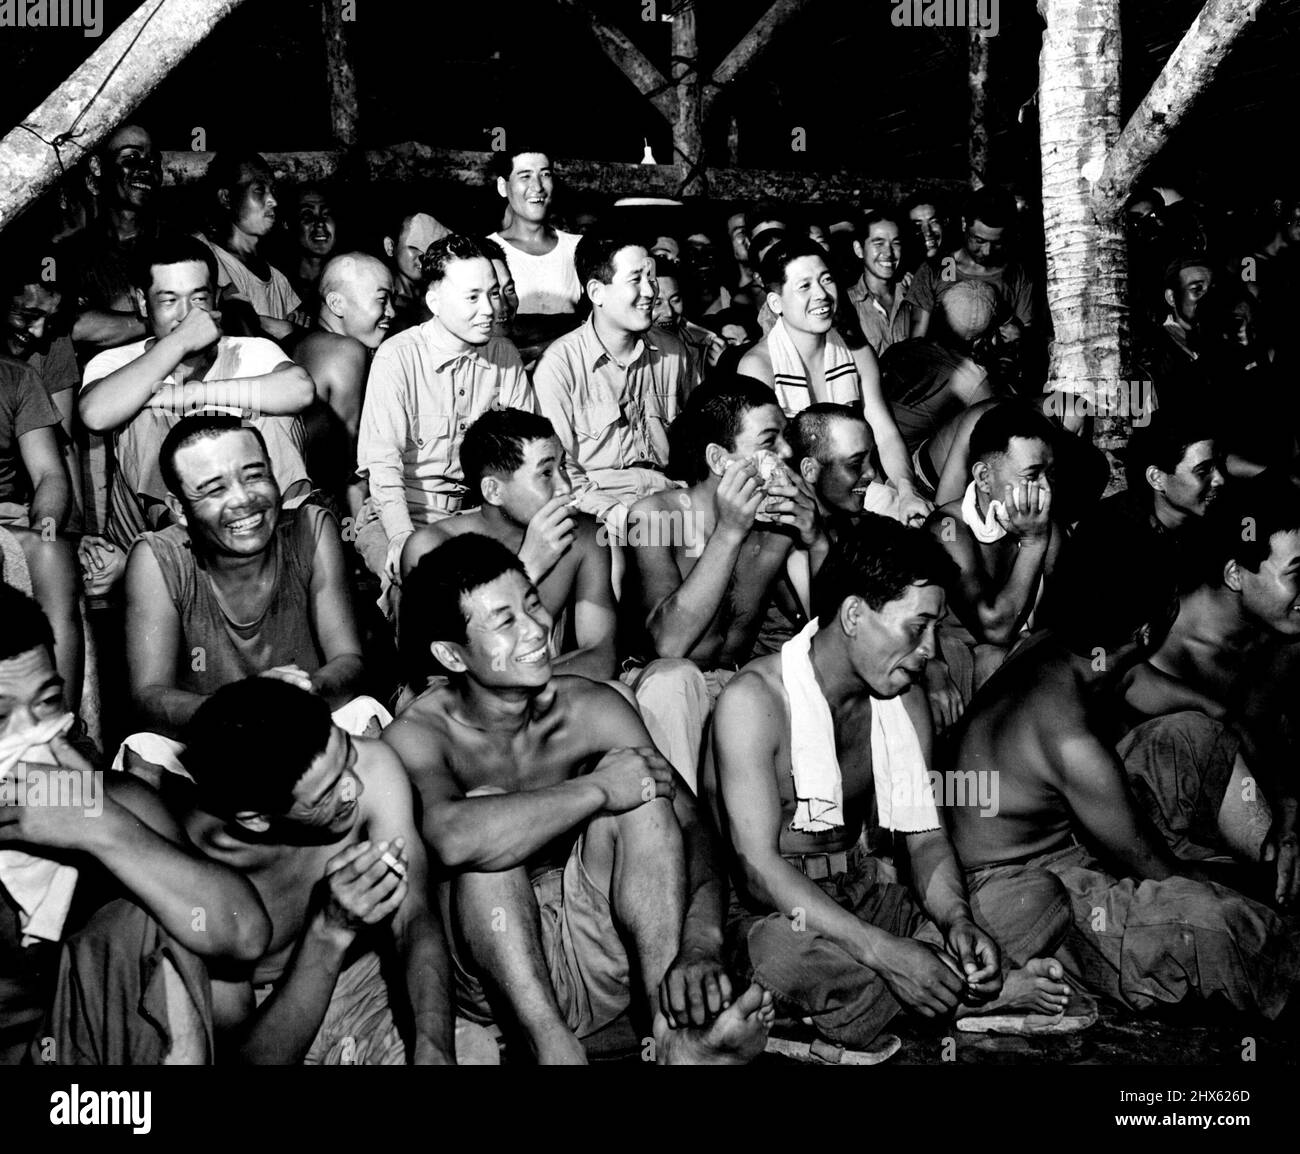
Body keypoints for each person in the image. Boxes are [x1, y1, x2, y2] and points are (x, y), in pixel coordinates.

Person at [385, 533, 774, 1064]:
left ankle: (669, 1032)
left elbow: (694, 826)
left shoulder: (588, 707)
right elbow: (452, 839)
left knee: (644, 794)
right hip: (493, 983)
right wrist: (595, 790)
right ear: (453, 655)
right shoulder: (417, 738)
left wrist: (701, 942)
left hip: (596, 951)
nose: (537, 629)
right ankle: (555, 1051)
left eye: (532, 603)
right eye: (505, 622)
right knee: (489, 832)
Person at [703, 516, 1081, 1052]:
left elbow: (924, 837)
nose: (930, 648)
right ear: (854, 614)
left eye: (936, 628)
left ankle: (894, 999)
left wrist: (957, 920)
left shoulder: (903, 697)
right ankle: (968, 995)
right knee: (778, 955)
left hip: (864, 893)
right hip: (779, 914)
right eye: (917, 626)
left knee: (1039, 895)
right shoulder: (754, 702)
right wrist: (885, 952)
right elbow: (760, 872)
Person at [944, 548, 1300, 1019]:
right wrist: (1242, 890)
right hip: (1018, 885)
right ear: (1147, 632)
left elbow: (1223, 716)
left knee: (1190, 734)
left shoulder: (1086, 652)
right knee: (1213, 923)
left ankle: (1280, 866)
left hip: (1067, 831)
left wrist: (1287, 823)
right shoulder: (1069, 737)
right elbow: (1161, 869)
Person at [0, 586, 271, 1065]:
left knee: (150, 915)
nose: (31, 739)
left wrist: (101, 827)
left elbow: (241, 940)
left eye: (45, 703)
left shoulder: (105, 802)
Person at [77, 235, 313, 593]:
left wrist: (192, 394)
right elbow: (96, 414)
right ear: (143, 303)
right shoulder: (116, 362)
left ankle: (287, 546)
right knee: (142, 417)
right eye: (169, 300)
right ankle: (183, 559)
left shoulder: (249, 351)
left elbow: (300, 390)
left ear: (215, 301)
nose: (186, 314)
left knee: (276, 415)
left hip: (243, 515)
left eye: (198, 298)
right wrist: (182, 342)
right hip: (158, 530)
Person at [621, 380, 823, 792]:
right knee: (674, 679)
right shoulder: (656, 516)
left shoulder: (780, 522)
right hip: (662, 689)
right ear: (719, 459)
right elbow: (670, 645)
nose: (786, 453)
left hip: (736, 685)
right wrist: (729, 532)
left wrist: (815, 537)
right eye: (770, 441)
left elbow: (833, 625)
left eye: (785, 437)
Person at [124, 415, 364, 739]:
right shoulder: (159, 557)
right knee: (144, 746)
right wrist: (240, 708)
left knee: (363, 711)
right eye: (215, 489)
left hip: (303, 719)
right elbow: (148, 694)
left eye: (254, 476)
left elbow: (348, 659)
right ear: (179, 509)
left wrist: (305, 690)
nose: (243, 499)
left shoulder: (311, 528)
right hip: (213, 737)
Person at [1120, 475, 1300, 908]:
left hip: (1250, 808)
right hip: (1153, 838)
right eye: (1296, 575)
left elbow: (1266, 743)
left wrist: (1290, 821)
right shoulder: (1156, 643)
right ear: (1235, 574)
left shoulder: (1282, 638)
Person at [355, 234, 534, 587]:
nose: (489, 309)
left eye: (493, 293)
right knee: (425, 583)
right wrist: (402, 539)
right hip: (402, 512)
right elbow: (383, 467)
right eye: (472, 297)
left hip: (477, 515)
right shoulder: (398, 358)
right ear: (434, 300)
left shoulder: (504, 356)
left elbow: (525, 455)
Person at [401, 408, 617, 681]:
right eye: (546, 473)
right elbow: (436, 679)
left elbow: (600, 657)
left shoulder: (583, 535)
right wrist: (527, 567)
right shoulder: (432, 548)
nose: (565, 487)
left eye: (563, 466)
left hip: (548, 696)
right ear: (493, 490)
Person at [739, 238, 932, 526]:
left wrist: (905, 490)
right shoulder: (757, 366)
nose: (822, 295)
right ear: (775, 303)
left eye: (826, 280)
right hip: (793, 502)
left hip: (859, 486)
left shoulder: (858, 352)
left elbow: (884, 432)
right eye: (804, 286)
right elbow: (761, 460)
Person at [532, 235, 692, 540]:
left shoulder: (674, 353)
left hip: (670, 500)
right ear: (596, 292)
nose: (649, 291)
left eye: (651, 277)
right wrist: (612, 512)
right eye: (635, 279)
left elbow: (698, 442)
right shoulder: (559, 366)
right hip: (597, 513)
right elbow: (557, 471)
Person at [926, 404, 1062, 704]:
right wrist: (1034, 543)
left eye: (1049, 475)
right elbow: (995, 627)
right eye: (1032, 475)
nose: (1045, 489)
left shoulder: (1047, 526)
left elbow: (1067, 617)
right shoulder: (947, 527)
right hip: (956, 671)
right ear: (984, 478)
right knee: (991, 658)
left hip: (1014, 663)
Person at [293, 253, 395, 513]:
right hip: (328, 509)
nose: (391, 311)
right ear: (337, 304)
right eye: (382, 300)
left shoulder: (304, 343)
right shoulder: (347, 351)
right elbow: (351, 471)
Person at [197, 153, 308, 343]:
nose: (273, 200)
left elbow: (299, 335)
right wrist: (285, 330)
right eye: (259, 190)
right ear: (226, 198)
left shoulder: (279, 280)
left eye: (273, 190)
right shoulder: (206, 258)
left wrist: (287, 329)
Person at [907, 187, 1037, 345]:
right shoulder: (934, 269)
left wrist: (1020, 335)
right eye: (979, 241)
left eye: (997, 243)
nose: (987, 251)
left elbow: (1028, 335)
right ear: (963, 224)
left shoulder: (1017, 274)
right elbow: (916, 342)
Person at [487, 147, 583, 315]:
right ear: (503, 186)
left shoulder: (578, 247)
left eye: (545, 174)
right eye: (525, 176)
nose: (537, 187)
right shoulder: (485, 252)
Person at [846, 209, 913, 356]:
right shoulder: (846, 304)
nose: (889, 253)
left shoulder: (913, 296)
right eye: (878, 243)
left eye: (895, 243)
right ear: (859, 249)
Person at [381, 207, 449, 334]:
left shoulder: (439, 299)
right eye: (414, 246)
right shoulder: (383, 305)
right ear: (390, 247)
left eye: (430, 247)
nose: (423, 255)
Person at [285, 184, 339, 321]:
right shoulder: (278, 284)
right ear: (287, 224)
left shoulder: (350, 280)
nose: (320, 223)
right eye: (307, 214)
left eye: (326, 213)